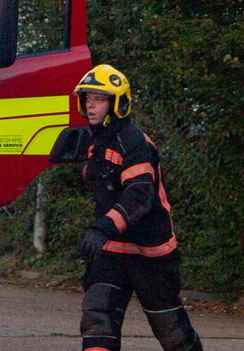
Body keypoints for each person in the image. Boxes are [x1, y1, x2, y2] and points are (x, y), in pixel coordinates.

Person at [49, 64, 205, 351]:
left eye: (99, 99)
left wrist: (101, 228)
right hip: (112, 250)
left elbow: (139, 196)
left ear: (117, 103)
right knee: (98, 317)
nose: (90, 105)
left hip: (151, 251)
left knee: (170, 330)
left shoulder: (134, 143)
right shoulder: (95, 141)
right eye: (87, 98)